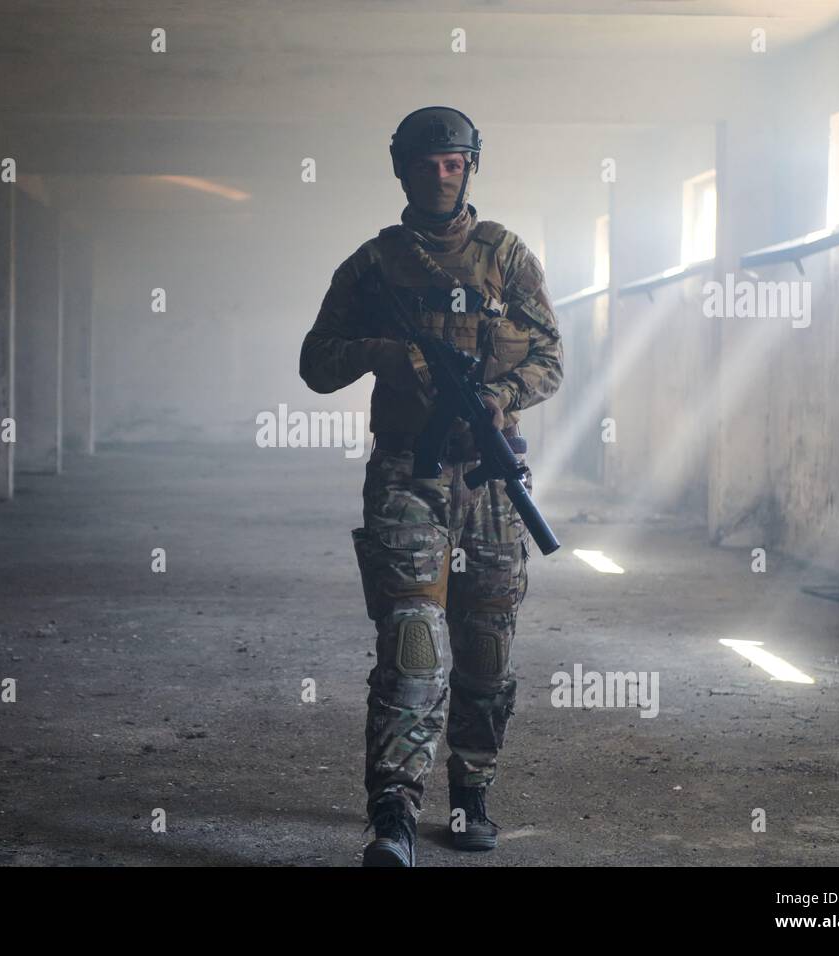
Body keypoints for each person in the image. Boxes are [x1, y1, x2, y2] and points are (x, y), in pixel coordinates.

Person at [298, 106, 564, 867]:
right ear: (403, 169)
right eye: (427, 162)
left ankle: (472, 788)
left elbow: (550, 357)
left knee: (486, 643)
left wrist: (501, 395)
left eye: (453, 161)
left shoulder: (507, 256)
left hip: (488, 470)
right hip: (407, 471)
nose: (440, 173)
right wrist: (382, 352)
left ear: (470, 166)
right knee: (414, 639)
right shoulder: (372, 266)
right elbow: (317, 364)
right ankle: (395, 812)